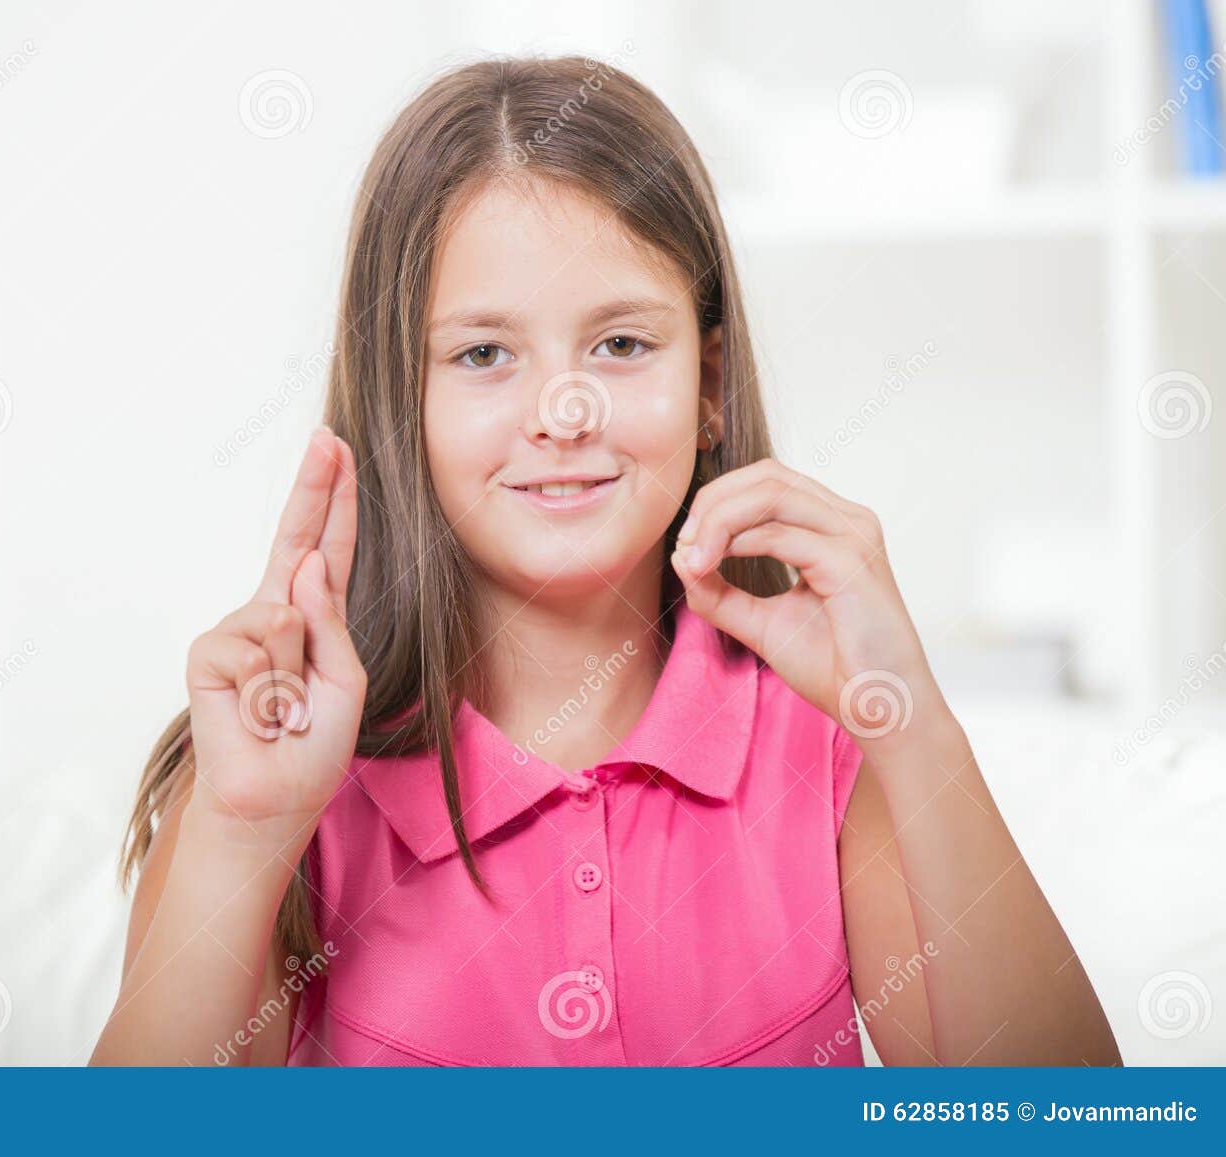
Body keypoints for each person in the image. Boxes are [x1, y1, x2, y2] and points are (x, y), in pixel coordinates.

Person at [90, 56, 1120, 1067]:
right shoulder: (269, 775)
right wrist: (242, 836)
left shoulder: (833, 753)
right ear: (402, 399)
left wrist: (916, 726)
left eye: (621, 345)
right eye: (483, 354)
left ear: (709, 383)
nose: (562, 415)